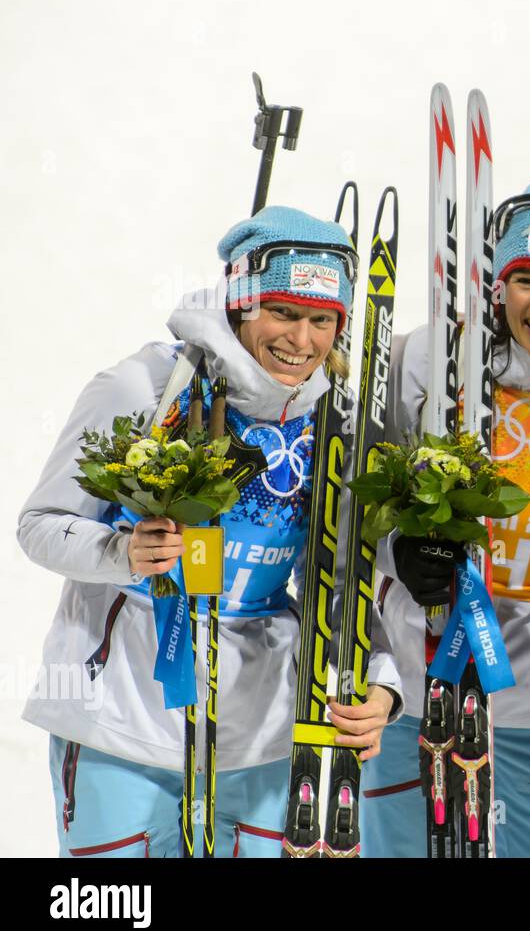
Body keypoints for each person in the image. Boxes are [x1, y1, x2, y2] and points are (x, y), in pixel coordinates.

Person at [18, 206, 403, 857]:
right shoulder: (143, 386)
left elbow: (343, 575)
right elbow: (39, 526)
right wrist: (123, 551)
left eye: (322, 319)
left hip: (260, 727)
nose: (301, 340)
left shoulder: (342, 419)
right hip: (122, 712)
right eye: (282, 311)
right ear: (240, 302)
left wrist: (382, 679)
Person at [362, 175, 530, 857]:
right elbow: (359, 499)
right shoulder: (428, 363)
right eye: (526, 279)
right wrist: (398, 548)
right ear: (498, 284)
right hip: (422, 686)